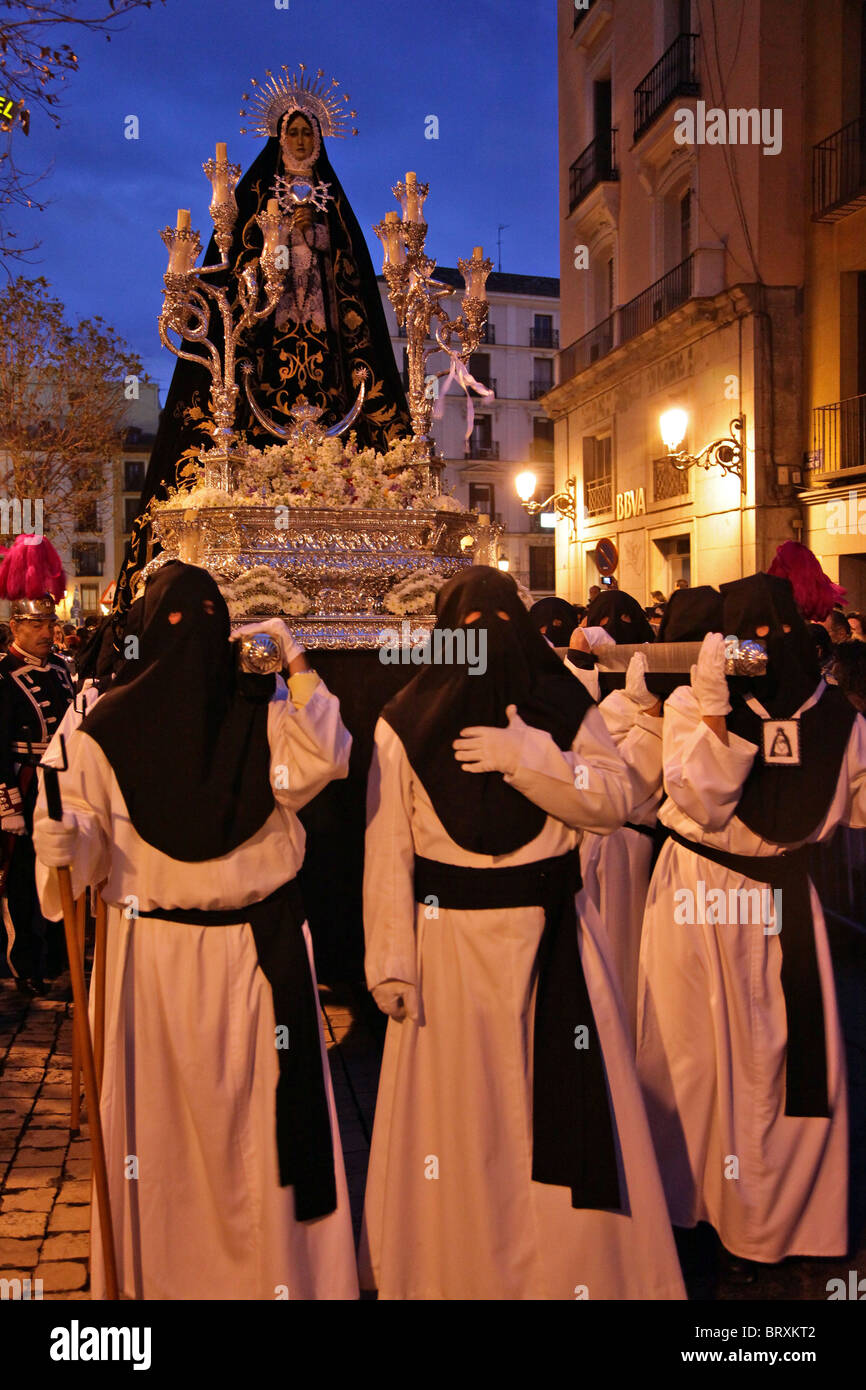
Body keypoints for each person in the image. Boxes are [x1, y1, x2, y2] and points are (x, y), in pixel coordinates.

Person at [33, 561, 358, 1299]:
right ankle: (167, 1282)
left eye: (209, 624)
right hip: (154, 967)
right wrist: (64, 842)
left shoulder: (262, 708)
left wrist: (296, 660)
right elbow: (82, 853)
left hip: (256, 958)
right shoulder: (101, 732)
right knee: (167, 1140)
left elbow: (327, 756)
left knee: (264, 1133)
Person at [359, 566, 686, 1300]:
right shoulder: (402, 721)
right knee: (465, 1119)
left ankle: (578, 1274)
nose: (486, 647)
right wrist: (390, 961)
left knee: (556, 1104)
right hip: (449, 952)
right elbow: (387, 852)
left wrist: (534, 763)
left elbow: (613, 804)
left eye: (499, 627)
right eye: (469, 632)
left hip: (552, 943)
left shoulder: (563, 705)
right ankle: (461, 1269)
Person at [116, 68, 411, 613]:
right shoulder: (251, 193)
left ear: (320, 140)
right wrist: (274, 235)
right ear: (278, 136)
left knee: (336, 408)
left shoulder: (335, 206)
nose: (301, 140)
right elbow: (232, 271)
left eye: (309, 132)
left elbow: (353, 277)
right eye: (293, 131)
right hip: (266, 333)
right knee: (246, 390)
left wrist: (315, 235)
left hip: (326, 332)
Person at [636, 572, 866, 1266]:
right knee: (696, 1055)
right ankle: (693, 1201)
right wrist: (710, 711)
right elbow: (703, 800)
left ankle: (765, 1219)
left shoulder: (836, 718)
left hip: (761, 900)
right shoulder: (703, 702)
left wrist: (716, 714)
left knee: (769, 1066)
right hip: (705, 897)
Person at [581, 586, 724, 1044]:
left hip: (659, 853)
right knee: (615, 965)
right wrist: (643, 713)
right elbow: (608, 777)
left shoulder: (691, 694)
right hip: (618, 844)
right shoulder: (627, 697)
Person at [0, 537, 74, 995]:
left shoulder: (64, 669)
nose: (48, 631)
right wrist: (6, 802)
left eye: (51, 622)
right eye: (37, 624)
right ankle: (25, 963)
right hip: (24, 786)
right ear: (15, 626)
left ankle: (60, 956)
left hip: (62, 782)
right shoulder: (4, 675)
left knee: (63, 867)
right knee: (24, 877)